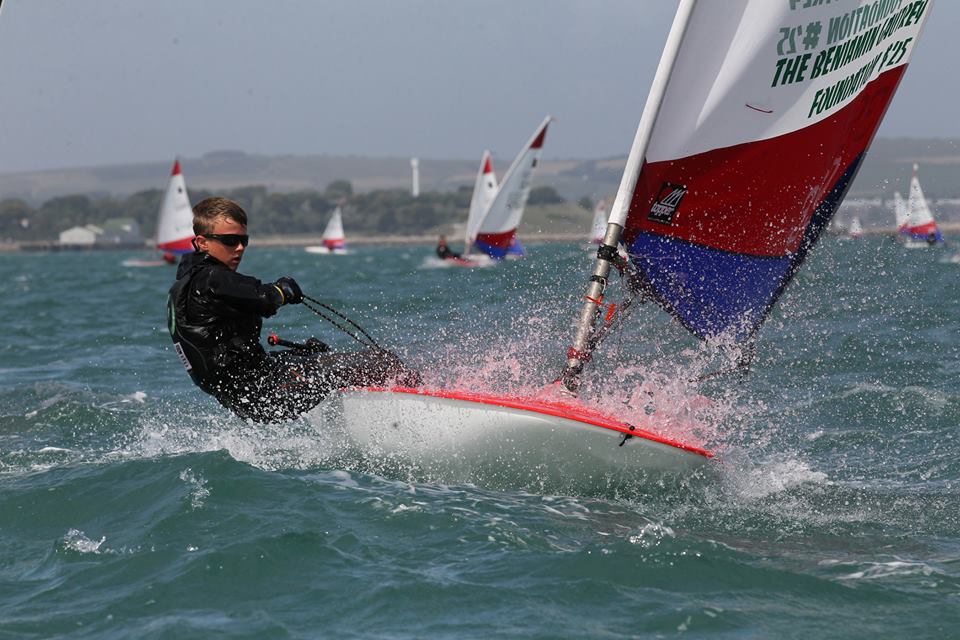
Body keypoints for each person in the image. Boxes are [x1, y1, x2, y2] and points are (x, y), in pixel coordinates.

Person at [167, 196, 420, 423]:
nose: (240, 248)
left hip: (243, 397)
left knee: (317, 354)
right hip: (265, 393)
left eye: (244, 240)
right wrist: (282, 291)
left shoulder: (186, 285)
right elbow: (263, 298)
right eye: (230, 241)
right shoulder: (212, 278)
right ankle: (426, 406)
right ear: (202, 242)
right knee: (380, 361)